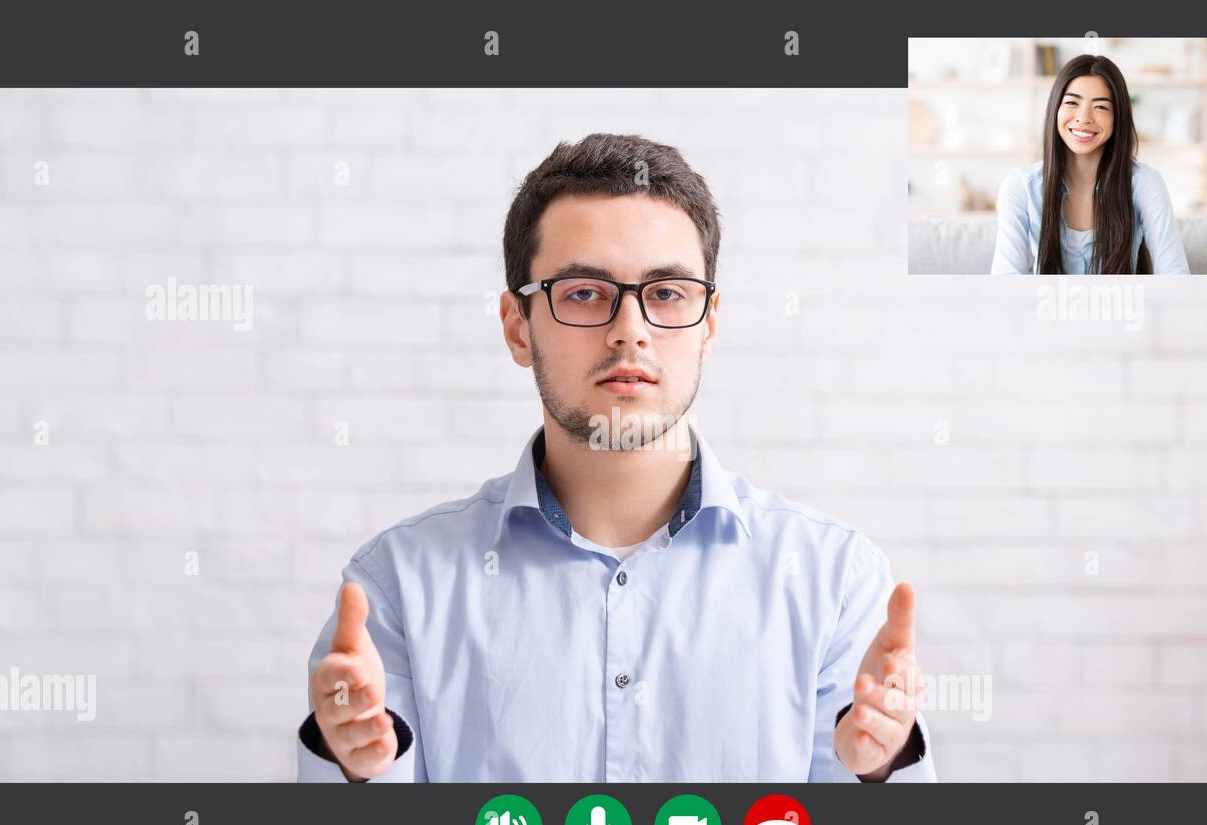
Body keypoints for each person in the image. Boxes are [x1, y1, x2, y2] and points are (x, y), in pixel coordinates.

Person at [297, 133, 936, 783]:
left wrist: (878, 774)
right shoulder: (399, 584)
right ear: (518, 326)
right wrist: (350, 770)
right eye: (583, 292)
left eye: (666, 294)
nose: (629, 329)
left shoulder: (834, 582)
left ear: (708, 324)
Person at [991, 54, 1190, 275]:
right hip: (1046, 309)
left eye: (1101, 107)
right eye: (1072, 102)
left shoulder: (1145, 183)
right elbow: (1005, 286)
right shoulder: (1020, 187)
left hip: (1123, 308)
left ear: (1117, 118)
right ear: (1056, 108)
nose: (1084, 118)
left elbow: (1175, 277)